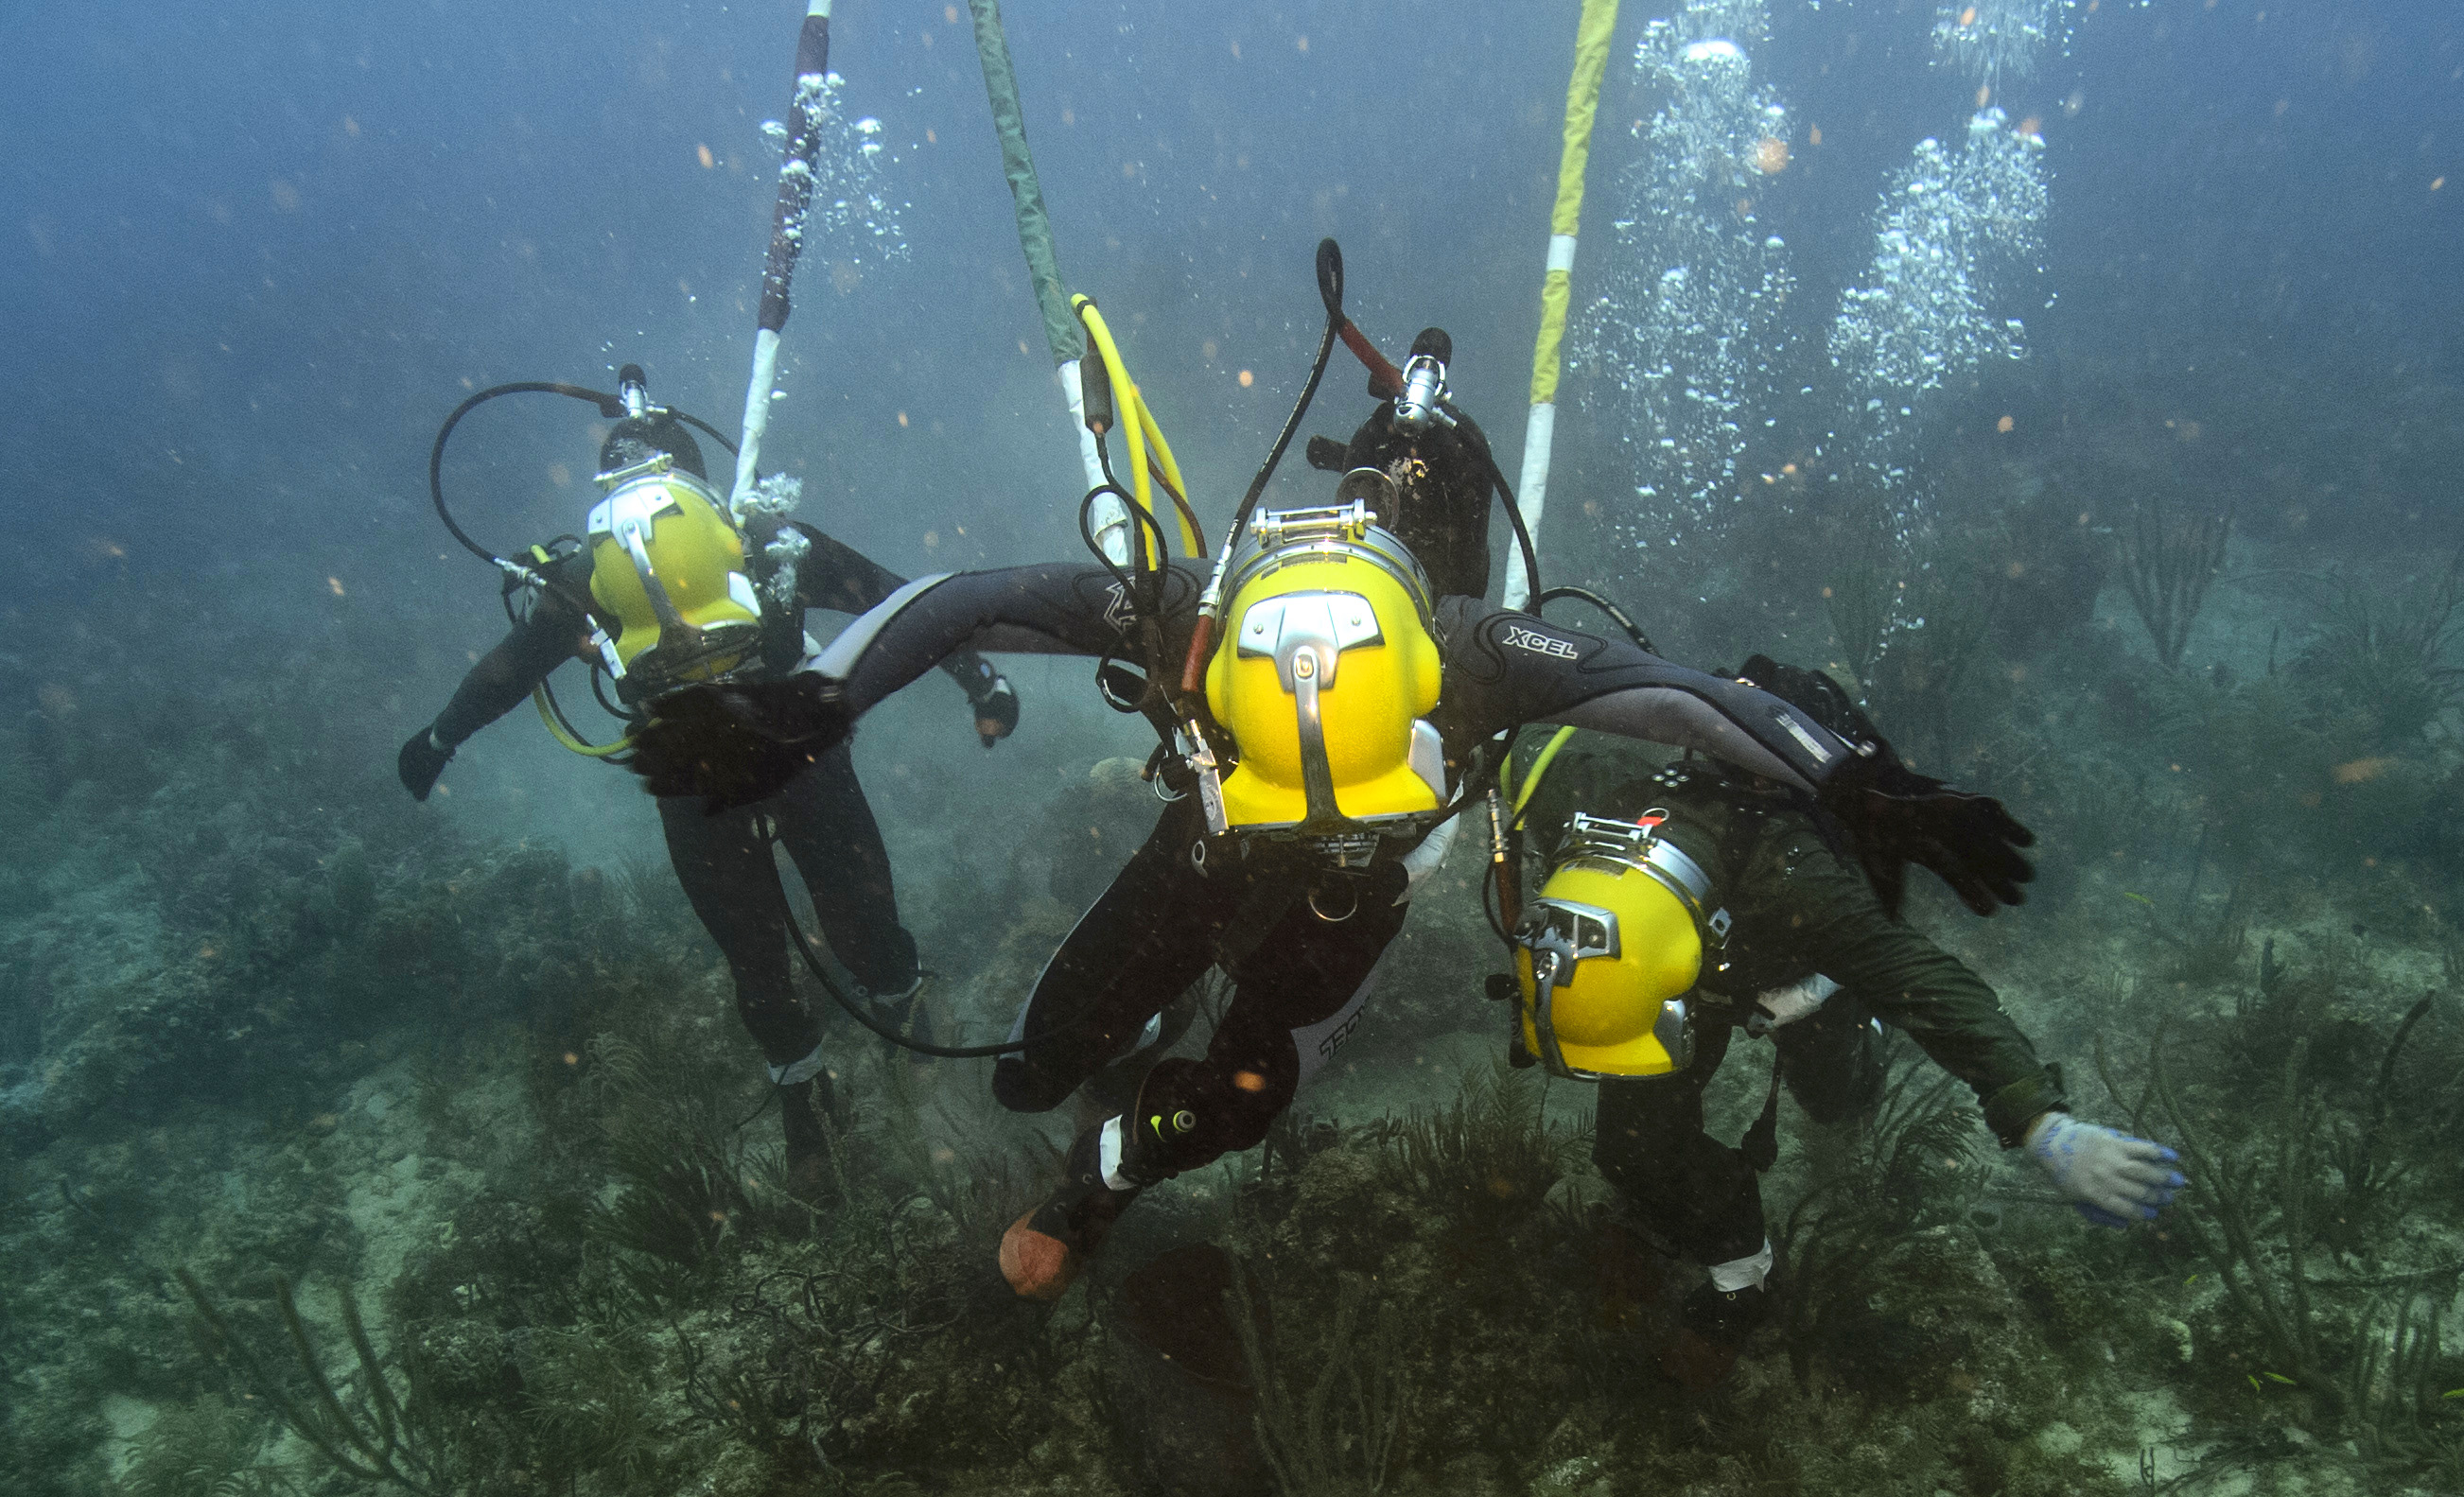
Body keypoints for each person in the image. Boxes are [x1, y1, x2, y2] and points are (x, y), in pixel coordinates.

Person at [626, 320, 2036, 1303]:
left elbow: (1676, 698)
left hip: (1348, 904)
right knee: (1036, 1064)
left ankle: (1106, 1175)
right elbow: (961, 603)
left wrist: (1847, 779)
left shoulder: (1471, 648)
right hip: (1206, 855)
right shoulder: (1195, 613)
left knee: (1244, 1096)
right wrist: (814, 699)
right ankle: (1117, 1073)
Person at [396, 369, 1019, 1207]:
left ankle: (811, 1115)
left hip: (693, 779)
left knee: (757, 960)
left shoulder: (590, 572)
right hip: (799, 754)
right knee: (857, 922)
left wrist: (439, 739)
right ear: (700, 483)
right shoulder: (762, 539)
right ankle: (905, 1046)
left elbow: (505, 673)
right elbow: (898, 605)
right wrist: (982, 680)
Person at [1506, 657, 2184, 1388]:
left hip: (1802, 970)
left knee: (1836, 1101)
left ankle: (1848, 1017)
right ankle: (1745, 1267)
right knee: (1629, 1151)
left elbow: (1926, 983)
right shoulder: (1588, 800)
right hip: (1683, 990)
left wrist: (2039, 1121)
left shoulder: (1794, 876)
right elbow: (1506, 744)